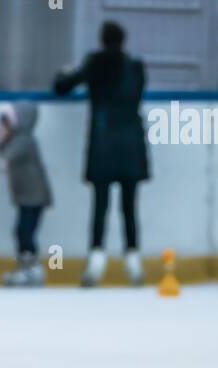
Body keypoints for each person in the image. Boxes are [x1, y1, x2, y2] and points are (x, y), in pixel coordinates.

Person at [54, 21, 149, 288]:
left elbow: (62, 86)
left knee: (100, 206)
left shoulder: (95, 64)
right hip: (131, 144)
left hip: (104, 143)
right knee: (130, 207)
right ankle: (133, 261)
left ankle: (96, 261)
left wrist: (65, 73)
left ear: (102, 39)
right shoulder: (136, 68)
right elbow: (137, 95)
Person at [0, 101, 53, 287]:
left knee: (23, 231)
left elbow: (10, 155)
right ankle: (27, 266)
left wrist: (0, 155)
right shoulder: (17, 139)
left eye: (6, 122)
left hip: (34, 198)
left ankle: (31, 267)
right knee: (23, 231)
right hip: (28, 197)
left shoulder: (24, 140)